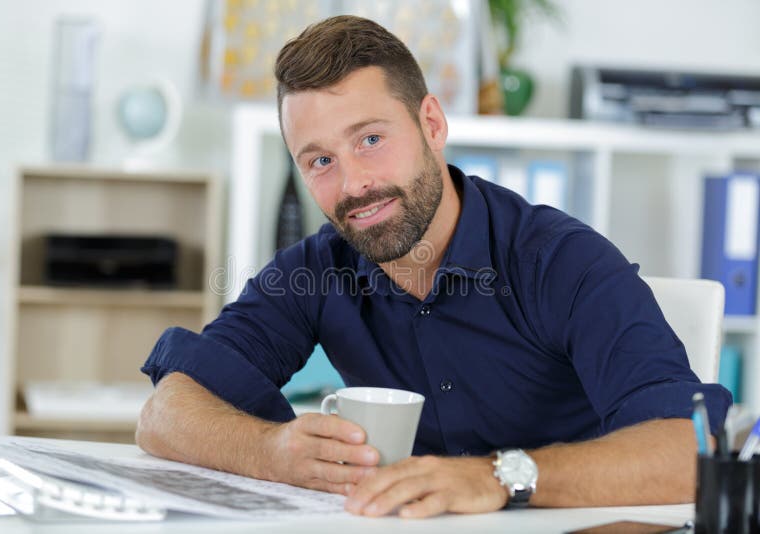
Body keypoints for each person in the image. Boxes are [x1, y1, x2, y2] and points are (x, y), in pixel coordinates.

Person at [136, 15, 731, 518]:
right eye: (320, 160)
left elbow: (690, 451)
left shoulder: (560, 261)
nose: (353, 184)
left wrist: (498, 477)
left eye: (370, 140)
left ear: (432, 124)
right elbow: (164, 413)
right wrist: (270, 451)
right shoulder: (316, 269)